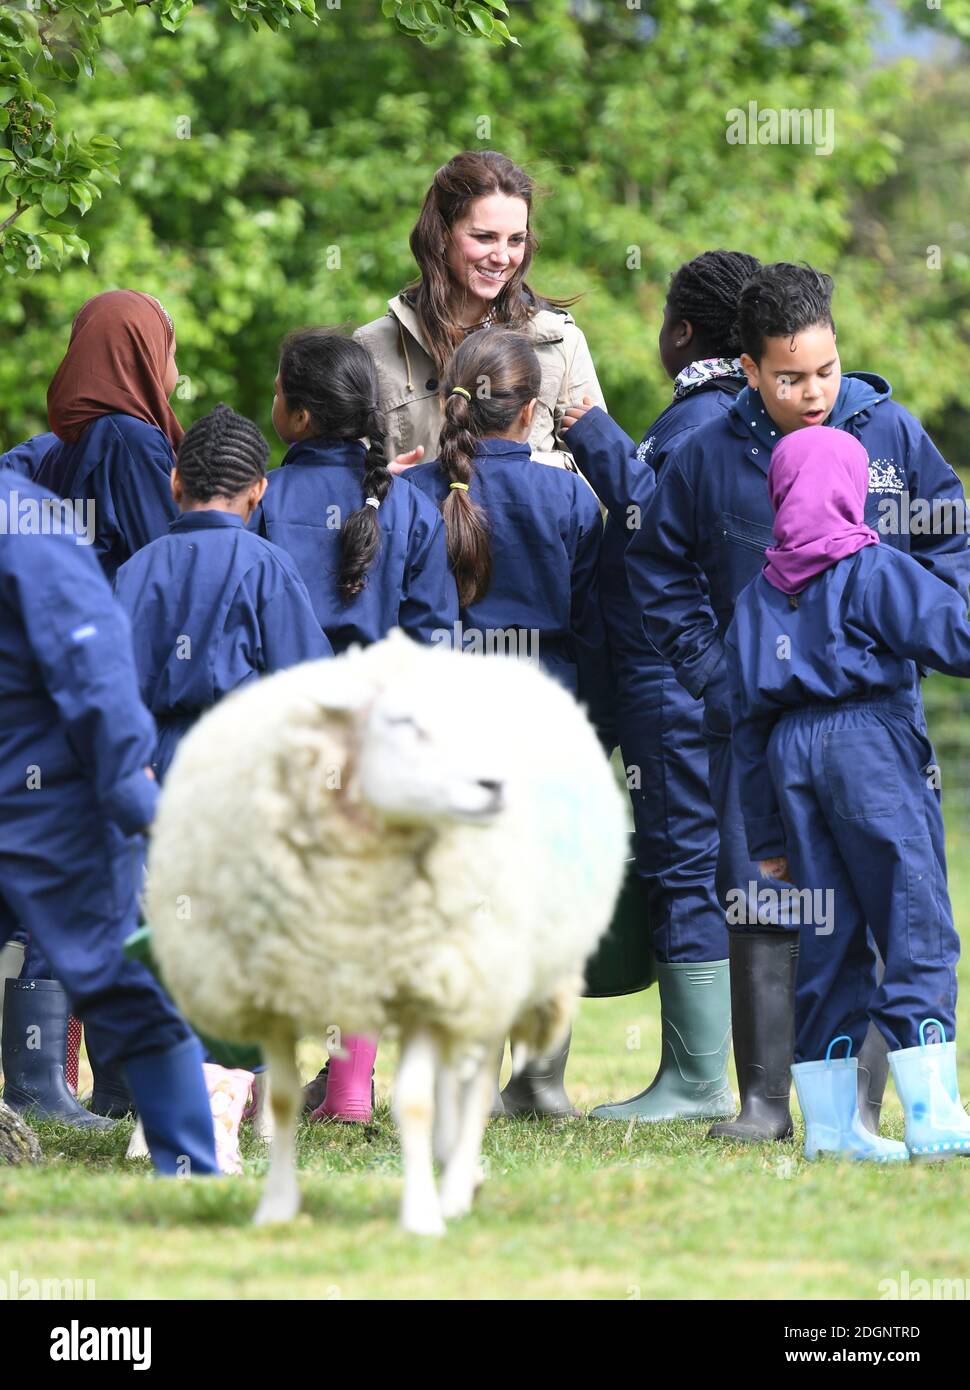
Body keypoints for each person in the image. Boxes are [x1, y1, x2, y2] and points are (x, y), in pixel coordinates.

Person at [628, 261, 970, 1144]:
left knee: (868, 912)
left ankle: (853, 1116)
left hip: (874, 718)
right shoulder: (707, 453)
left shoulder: (887, 427)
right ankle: (773, 1105)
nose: (814, 393)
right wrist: (715, 674)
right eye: (789, 377)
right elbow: (657, 569)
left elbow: (949, 533)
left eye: (825, 370)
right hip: (763, 725)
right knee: (788, 909)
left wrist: (932, 610)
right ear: (748, 369)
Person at [726, 426, 970, 1162]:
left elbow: (743, 726)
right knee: (913, 918)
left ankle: (834, 1132)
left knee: (826, 938)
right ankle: (933, 1116)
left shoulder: (756, 596)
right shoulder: (873, 568)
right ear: (849, 490)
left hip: (788, 762)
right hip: (871, 750)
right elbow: (957, 639)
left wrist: (765, 843)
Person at [560, 250, 761, 1123]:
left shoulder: (702, 422)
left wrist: (595, 436)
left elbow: (658, 520)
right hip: (675, 677)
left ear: (680, 331)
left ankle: (695, 1078)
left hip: (672, 679)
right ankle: (709, 1072)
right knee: (700, 856)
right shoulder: (731, 415)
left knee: (684, 858)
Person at [407, 328, 613, 1117]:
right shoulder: (567, 498)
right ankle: (543, 1080)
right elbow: (594, 629)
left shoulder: (421, 493)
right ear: (533, 411)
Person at [255, 328, 459, 1122]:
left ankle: (253, 1086)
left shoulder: (263, 499)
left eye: (277, 391)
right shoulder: (409, 506)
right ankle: (348, 1089)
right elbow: (435, 635)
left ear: (298, 416)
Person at [0, 464, 219, 1174]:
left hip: (36, 789)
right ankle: (187, 1162)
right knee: (115, 972)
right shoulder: (27, 521)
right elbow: (91, 659)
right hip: (41, 798)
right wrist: (128, 781)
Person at [114, 404, 333, 784]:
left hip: (147, 773)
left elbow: (109, 689)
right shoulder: (267, 565)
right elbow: (310, 687)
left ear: (176, 482)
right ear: (258, 491)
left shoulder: (133, 570)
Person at [354, 150, 605, 473]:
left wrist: (525, 468)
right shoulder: (373, 346)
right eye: (484, 237)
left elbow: (603, 475)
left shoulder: (560, 342)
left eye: (516, 240)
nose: (502, 257)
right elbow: (339, 482)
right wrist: (388, 487)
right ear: (442, 235)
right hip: (413, 524)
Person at [35, 290, 182, 579]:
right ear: (144, 355)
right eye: (171, 353)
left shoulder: (59, 448)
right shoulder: (134, 442)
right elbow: (167, 564)